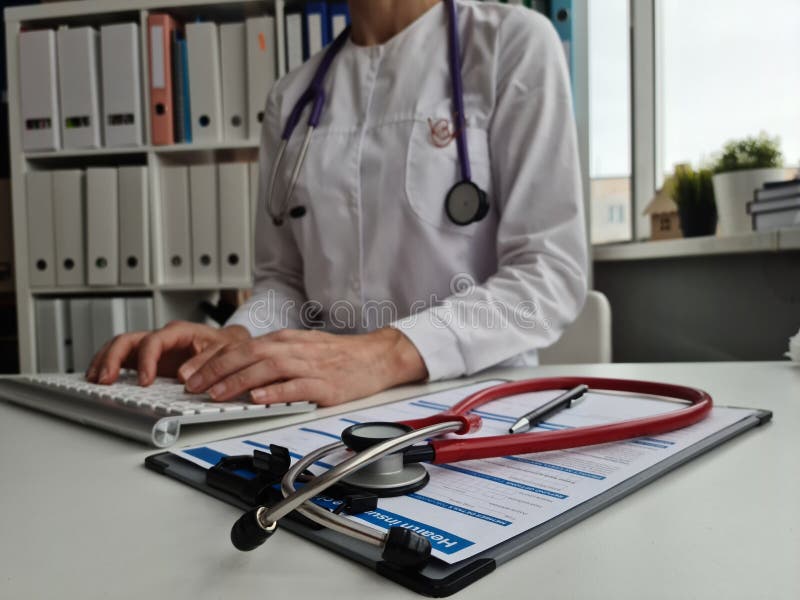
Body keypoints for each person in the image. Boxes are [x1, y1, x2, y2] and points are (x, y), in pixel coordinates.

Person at [87, 0, 587, 407]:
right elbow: (286, 284)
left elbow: (548, 275)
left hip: (479, 406)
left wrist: (385, 354)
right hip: (329, 411)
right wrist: (238, 339)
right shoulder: (292, 97)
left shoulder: (512, 44)